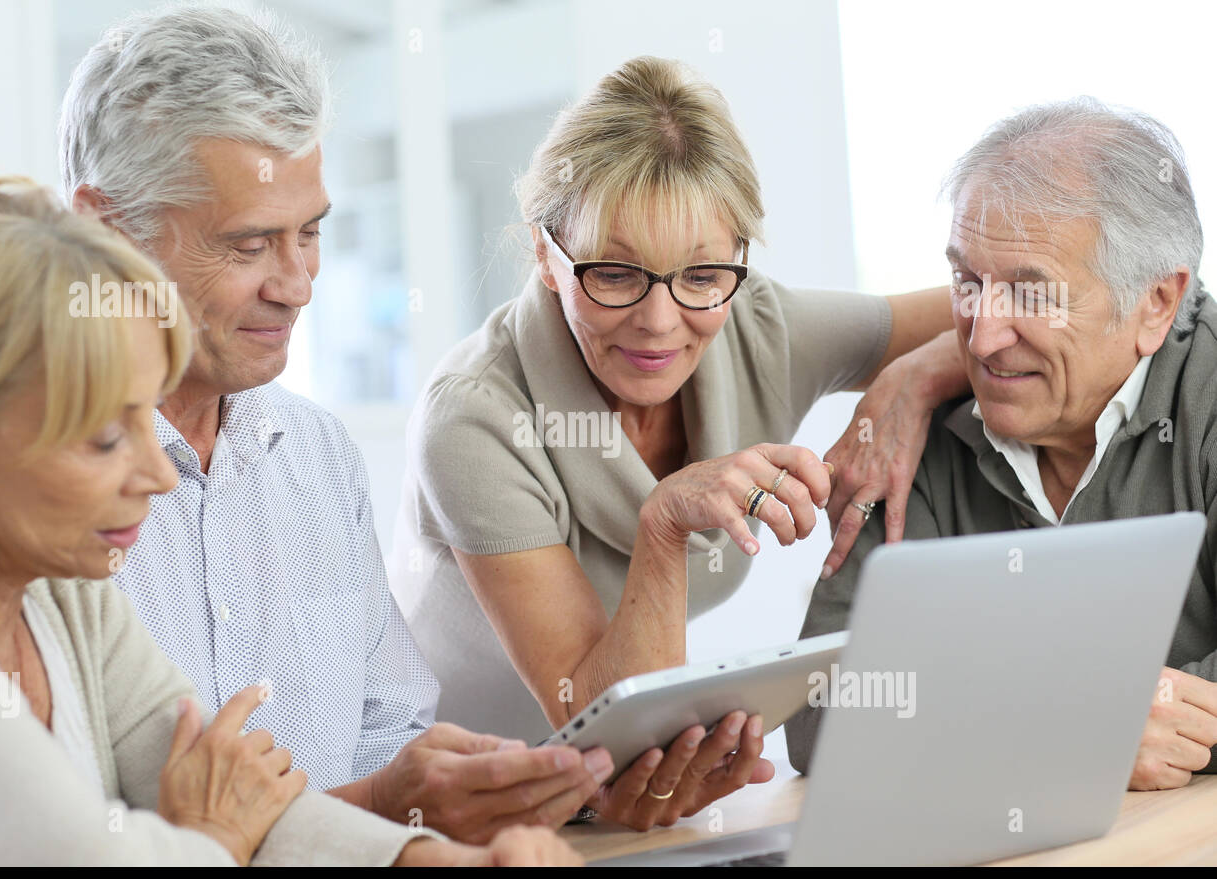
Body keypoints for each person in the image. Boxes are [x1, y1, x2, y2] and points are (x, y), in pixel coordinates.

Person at [0, 156, 577, 865]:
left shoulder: (63, 593)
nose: (155, 474)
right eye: (106, 438)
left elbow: (246, 798)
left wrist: (445, 862)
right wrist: (215, 841)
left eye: (146, 415)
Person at [60, 6, 610, 845]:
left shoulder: (315, 456)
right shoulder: (24, 490)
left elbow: (388, 739)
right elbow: (58, 855)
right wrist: (383, 814)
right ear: (104, 229)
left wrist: (516, 792)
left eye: (310, 234)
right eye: (249, 246)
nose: (298, 285)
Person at [390, 55, 970, 830]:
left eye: (700, 274)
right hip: (465, 813)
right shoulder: (474, 418)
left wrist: (916, 376)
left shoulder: (760, 324)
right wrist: (664, 526)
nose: (660, 323)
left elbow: (1007, 308)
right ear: (545, 254)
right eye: (617, 274)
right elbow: (598, 719)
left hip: (624, 801)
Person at [784, 98, 1217, 792]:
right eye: (968, 281)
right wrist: (1068, 728)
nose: (981, 339)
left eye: (1030, 292)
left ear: (1157, 304)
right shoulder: (914, 437)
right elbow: (819, 716)